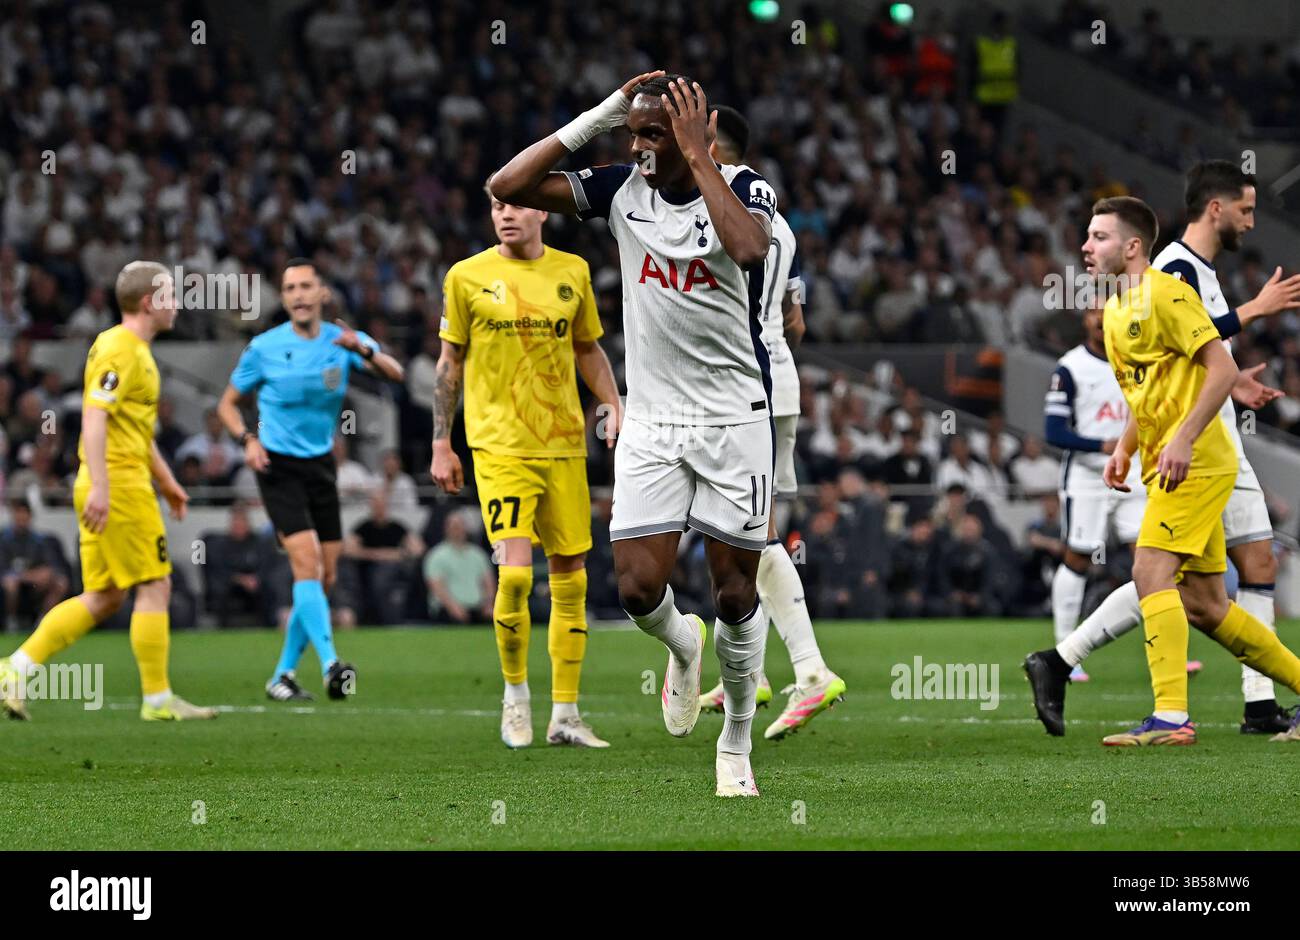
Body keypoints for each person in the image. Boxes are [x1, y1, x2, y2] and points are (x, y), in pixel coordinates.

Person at [492, 70, 780, 795]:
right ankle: (684, 649)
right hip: (653, 419)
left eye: (657, 134)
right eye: (636, 134)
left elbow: (747, 251)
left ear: (696, 134)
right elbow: (510, 183)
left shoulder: (745, 192)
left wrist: (700, 155)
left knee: (737, 595)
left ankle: (736, 743)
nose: (642, 148)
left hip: (733, 416)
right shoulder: (623, 188)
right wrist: (599, 115)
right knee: (635, 587)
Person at [1026, 166, 1300, 738]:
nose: (1085, 245)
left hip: (1197, 458)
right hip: (1167, 459)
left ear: (1131, 246)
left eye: (1098, 236)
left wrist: (1178, 438)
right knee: (1205, 605)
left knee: (1150, 569)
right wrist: (1125, 448)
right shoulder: (1120, 309)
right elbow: (1148, 392)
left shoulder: (1165, 292)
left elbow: (1220, 368)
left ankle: (1171, 716)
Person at [431, 176, 620, 749]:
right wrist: (443, 441)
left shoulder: (572, 272)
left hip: (563, 443)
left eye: (514, 204)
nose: (504, 214)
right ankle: (516, 699)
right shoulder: (465, 277)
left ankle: (566, 714)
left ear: (542, 211)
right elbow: (449, 361)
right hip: (497, 444)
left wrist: (613, 402)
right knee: (513, 576)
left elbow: (587, 348)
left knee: (571, 579)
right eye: (496, 205)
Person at [0, 261, 215, 721]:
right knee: (156, 584)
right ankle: (157, 699)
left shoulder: (134, 351)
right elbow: (94, 417)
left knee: (104, 597)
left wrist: (169, 481)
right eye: (170, 295)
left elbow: (132, 430)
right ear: (147, 302)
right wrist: (101, 484)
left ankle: (15, 668)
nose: (176, 303)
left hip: (116, 480)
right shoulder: (121, 349)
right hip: (117, 485)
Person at [695, 104, 845, 740]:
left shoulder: (729, 203)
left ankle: (809, 671)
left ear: (710, 143)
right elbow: (797, 312)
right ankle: (753, 671)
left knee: (752, 536)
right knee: (740, 533)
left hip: (745, 383)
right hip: (773, 376)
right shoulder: (774, 217)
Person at [217, 258, 405, 703]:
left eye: (306, 286)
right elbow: (226, 404)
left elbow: (394, 373)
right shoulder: (264, 347)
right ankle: (330, 664)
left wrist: (362, 350)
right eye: (290, 288)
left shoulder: (342, 340)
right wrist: (247, 439)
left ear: (321, 293)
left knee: (325, 578)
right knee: (306, 563)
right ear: (284, 299)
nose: (299, 295)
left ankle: (282, 674)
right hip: (277, 467)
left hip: (322, 467)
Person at [1040, 301, 1144, 682]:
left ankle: (1163, 652)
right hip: (1087, 478)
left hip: (1137, 476)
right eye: (1092, 312)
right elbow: (1053, 431)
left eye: (1107, 311)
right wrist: (1101, 446)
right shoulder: (1071, 367)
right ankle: (1065, 655)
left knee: (1152, 563)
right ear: (1084, 319)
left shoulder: (1138, 358)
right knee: (1079, 558)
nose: (1100, 319)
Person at [342, 491, 425, 625]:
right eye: (375, 505)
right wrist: (374, 555)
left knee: (386, 574)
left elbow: (418, 548)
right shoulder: (364, 528)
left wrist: (395, 554)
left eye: (381, 505)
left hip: (395, 571)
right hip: (367, 572)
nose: (379, 509)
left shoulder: (397, 527)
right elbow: (348, 549)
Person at [0, 499, 68, 632]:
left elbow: (51, 566)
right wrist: (25, 576)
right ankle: (11, 620)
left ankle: (42, 621)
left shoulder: (39, 540)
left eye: (24, 514)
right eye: (18, 514)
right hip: (12, 581)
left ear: (30, 516)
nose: (21, 517)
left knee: (60, 583)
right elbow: (3, 569)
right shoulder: (3, 539)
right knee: (10, 583)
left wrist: (44, 574)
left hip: (34, 583)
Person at [423, 512, 495, 625]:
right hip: (448, 609)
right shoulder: (436, 555)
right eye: (454, 526)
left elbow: (488, 582)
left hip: (478, 608)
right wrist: (453, 607)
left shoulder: (478, 554)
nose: (457, 530)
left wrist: (488, 604)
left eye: (460, 526)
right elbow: (436, 586)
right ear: (446, 529)